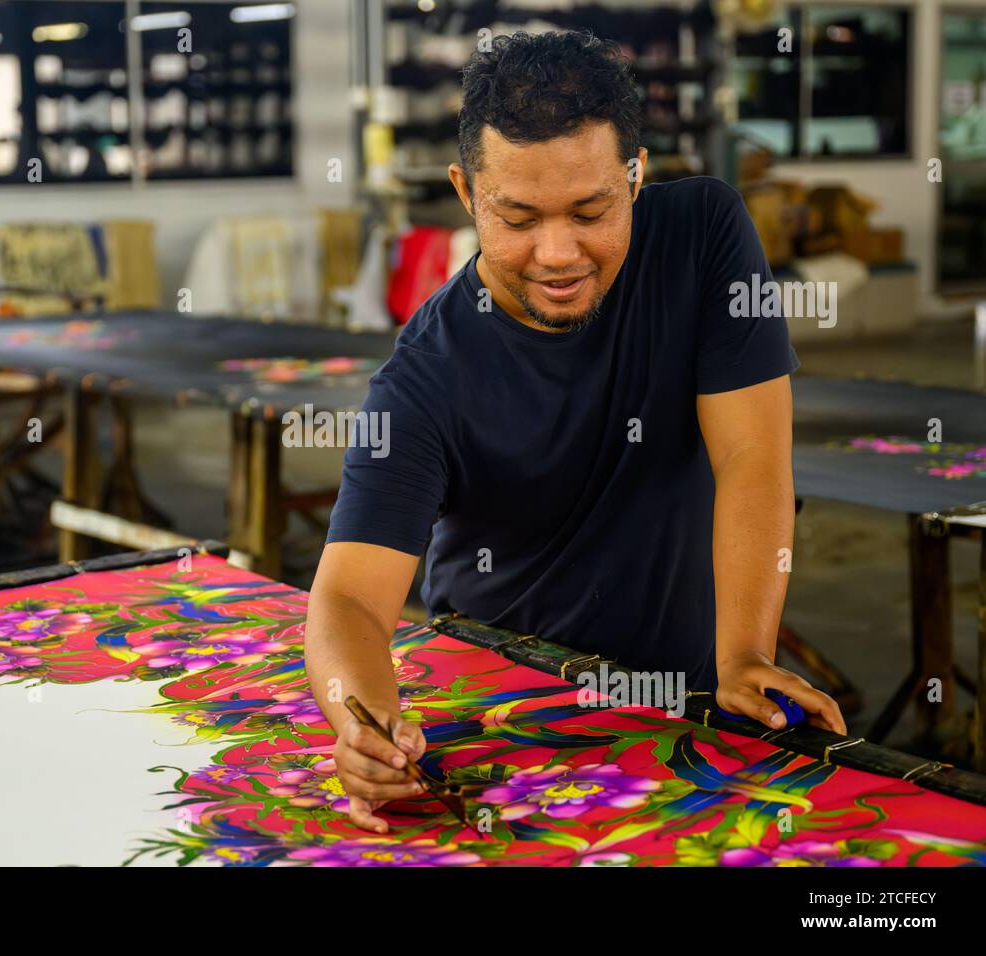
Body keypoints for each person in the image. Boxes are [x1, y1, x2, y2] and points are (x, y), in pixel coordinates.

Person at [304, 30, 846, 834]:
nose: (558, 255)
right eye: (518, 217)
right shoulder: (423, 378)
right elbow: (348, 595)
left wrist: (744, 654)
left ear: (635, 175)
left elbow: (751, 455)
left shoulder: (703, 235)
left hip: (686, 698)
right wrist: (366, 720)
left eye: (591, 212)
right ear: (465, 192)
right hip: (506, 716)